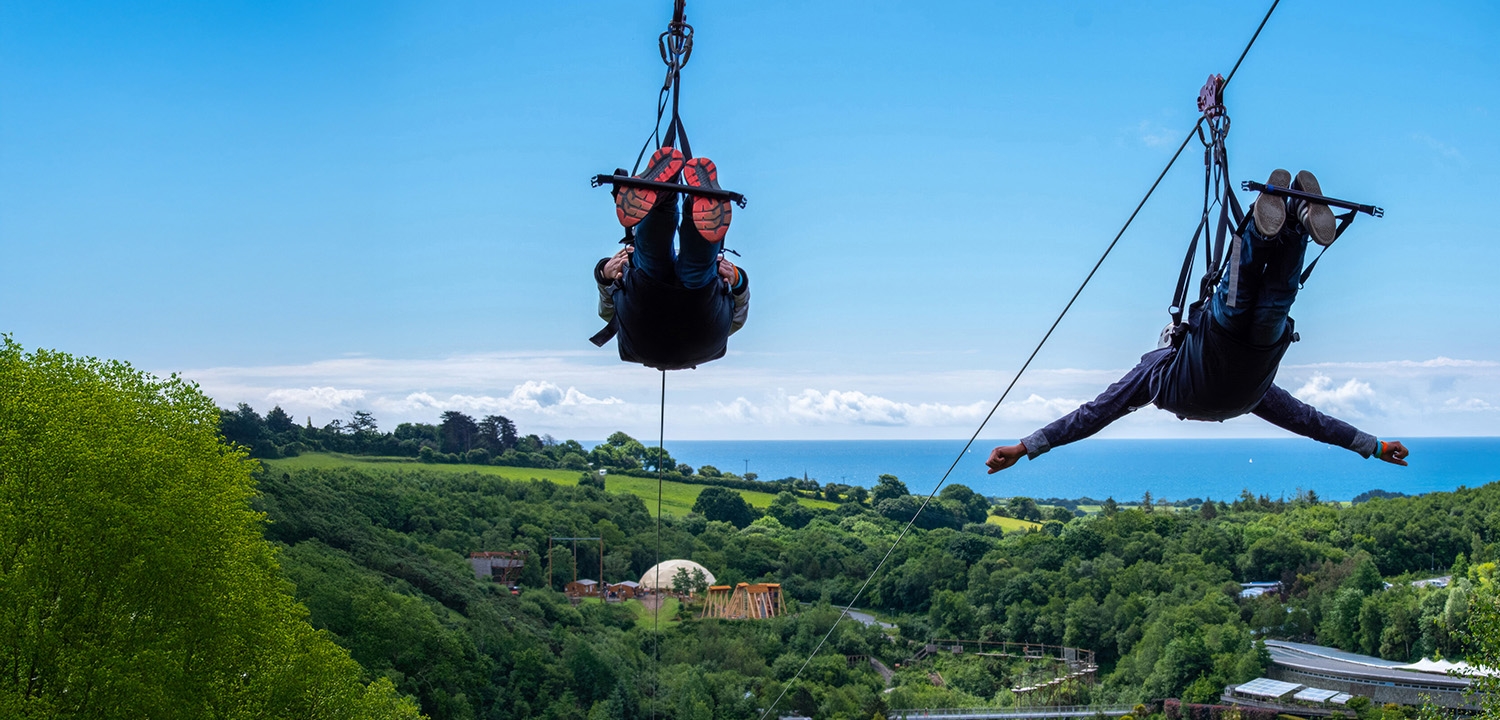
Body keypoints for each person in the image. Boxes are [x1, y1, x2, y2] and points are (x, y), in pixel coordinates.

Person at [986, 169, 1410, 474]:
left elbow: (1095, 414)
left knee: (1274, 301)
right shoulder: (1166, 370)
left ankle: (1291, 227)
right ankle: (1277, 227)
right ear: (1170, 342)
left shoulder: (1163, 382)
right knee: (1244, 297)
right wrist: (1371, 445)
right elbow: (1310, 421)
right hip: (1236, 349)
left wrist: (1026, 447)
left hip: (1252, 357)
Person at [590, 146, 749, 371]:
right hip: (678, 331)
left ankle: (673, 200)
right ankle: (668, 201)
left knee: (692, 271)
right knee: (652, 263)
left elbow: (737, 318)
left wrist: (738, 281)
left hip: (690, 334)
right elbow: (608, 311)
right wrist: (604, 275)